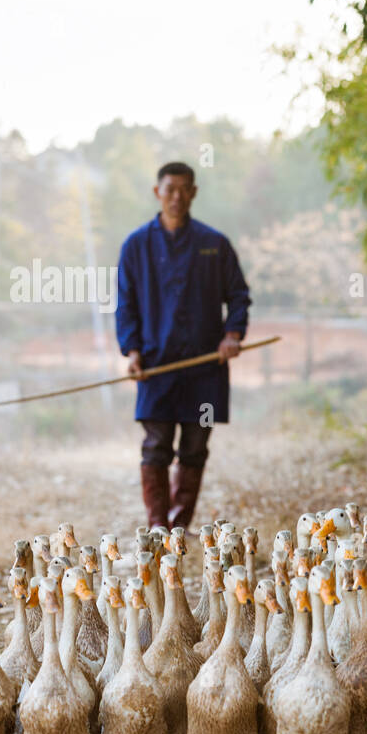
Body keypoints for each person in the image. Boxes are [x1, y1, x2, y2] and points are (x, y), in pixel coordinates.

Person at [115, 161, 251, 531]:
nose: (176, 196)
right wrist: (132, 351)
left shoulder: (214, 245)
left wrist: (232, 336)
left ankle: (179, 526)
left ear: (194, 193)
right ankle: (158, 525)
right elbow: (125, 304)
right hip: (156, 368)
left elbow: (238, 296)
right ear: (157, 192)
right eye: (169, 188)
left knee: (196, 445)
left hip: (206, 371)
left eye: (184, 189)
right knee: (156, 444)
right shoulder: (136, 246)